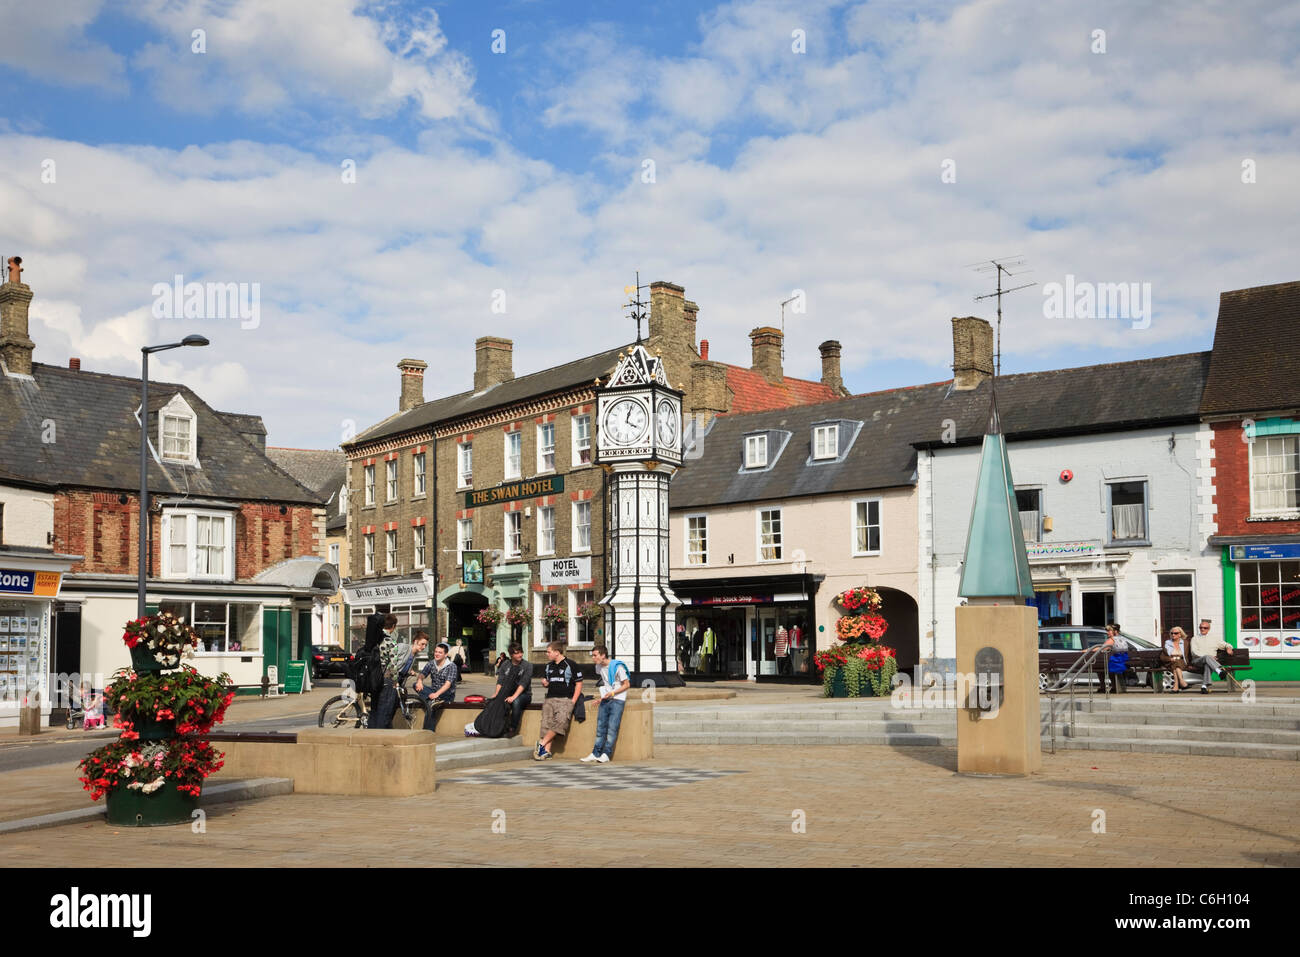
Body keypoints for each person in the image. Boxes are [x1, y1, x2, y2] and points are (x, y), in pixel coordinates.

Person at [535, 641, 582, 760]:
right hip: (550, 699)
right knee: (546, 724)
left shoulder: (570, 664)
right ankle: (546, 751)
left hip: (565, 699)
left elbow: (579, 684)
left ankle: (541, 743)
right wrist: (545, 683)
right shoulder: (548, 666)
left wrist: (573, 701)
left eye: (549, 652)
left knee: (561, 722)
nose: (547, 654)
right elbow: (548, 681)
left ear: (557, 652)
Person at [582, 645, 630, 763]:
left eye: (595, 655)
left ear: (603, 655)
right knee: (600, 727)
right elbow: (607, 684)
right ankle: (595, 753)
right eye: (592, 655)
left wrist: (612, 693)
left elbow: (626, 684)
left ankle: (606, 754)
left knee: (612, 728)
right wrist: (602, 697)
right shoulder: (599, 667)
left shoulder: (617, 666)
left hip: (618, 699)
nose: (593, 658)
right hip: (606, 698)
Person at [414, 639, 457, 730]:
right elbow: (422, 674)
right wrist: (420, 681)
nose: (437, 654)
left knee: (430, 705)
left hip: (446, 694)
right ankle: (434, 700)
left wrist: (437, 695)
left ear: (445, 655)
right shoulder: (431, 663)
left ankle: (428, 732)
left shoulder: (451, 666)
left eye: (440, 653)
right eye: (436, 652)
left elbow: (447, 685)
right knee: (415, 685)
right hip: (433, 692)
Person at [491, 643, 533, 735]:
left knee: (516, 701)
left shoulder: (528, 666)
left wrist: (513, 697)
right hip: (508, 692)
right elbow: (500, 681)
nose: (520, 655)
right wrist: (497, 693)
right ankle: (495, 726)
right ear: (511, 655)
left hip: (524, 694)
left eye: (521, 652)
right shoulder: (505, 664)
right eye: (517, 653)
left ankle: (512, 728)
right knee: (495, 700)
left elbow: (523, 683)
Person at [370, 614, 402, 728]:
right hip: (385, 679)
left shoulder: (373, 640)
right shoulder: (391, 642)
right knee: (385, 710)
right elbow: (393, 665)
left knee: (374, 709)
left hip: (373, 678)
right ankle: (380, 737)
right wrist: (395, 680)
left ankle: (370, 734)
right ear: (393, 626)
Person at [1190, 619, 1231, 694]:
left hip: (1209, 662)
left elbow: (1225, 644)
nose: (1202, 629)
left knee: (1207, 664)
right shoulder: (1194, 638)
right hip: (1197, 660)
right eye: (1201, 627)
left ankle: (1204, 687)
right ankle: (1219, 671)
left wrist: (1228, 647)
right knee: (1207, 658)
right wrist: (1209, 656)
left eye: (1205, 628)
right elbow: (1194, 652)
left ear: (1209, 629)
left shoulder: (1214, 638)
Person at [1098, 623, 1130, 694]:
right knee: (1104, 666)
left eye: (1109, 631)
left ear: (1115, 631)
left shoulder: (1112, 640)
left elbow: (1102, 649)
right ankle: (1114, 687)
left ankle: (1105, 687)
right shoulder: (1123, 639)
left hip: (1118, 662)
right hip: (1124, 662)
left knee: (1100, 667)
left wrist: (1088, 650)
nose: (1107, 633)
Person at [1163, 626, 1190, 692]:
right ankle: (1182, 682)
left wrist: (1191, 663)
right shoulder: (1167, 643)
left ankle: (1176, 686)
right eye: (1171, 633)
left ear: (1180, 634)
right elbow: (1162, 655)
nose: (1173, 635)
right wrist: (1170, 659)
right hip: (1170, 661)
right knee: (1176, 663)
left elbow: (1189, 654)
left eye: (1175, 633)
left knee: (1176, 664)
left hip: (1182, 662)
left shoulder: (1185, 643)